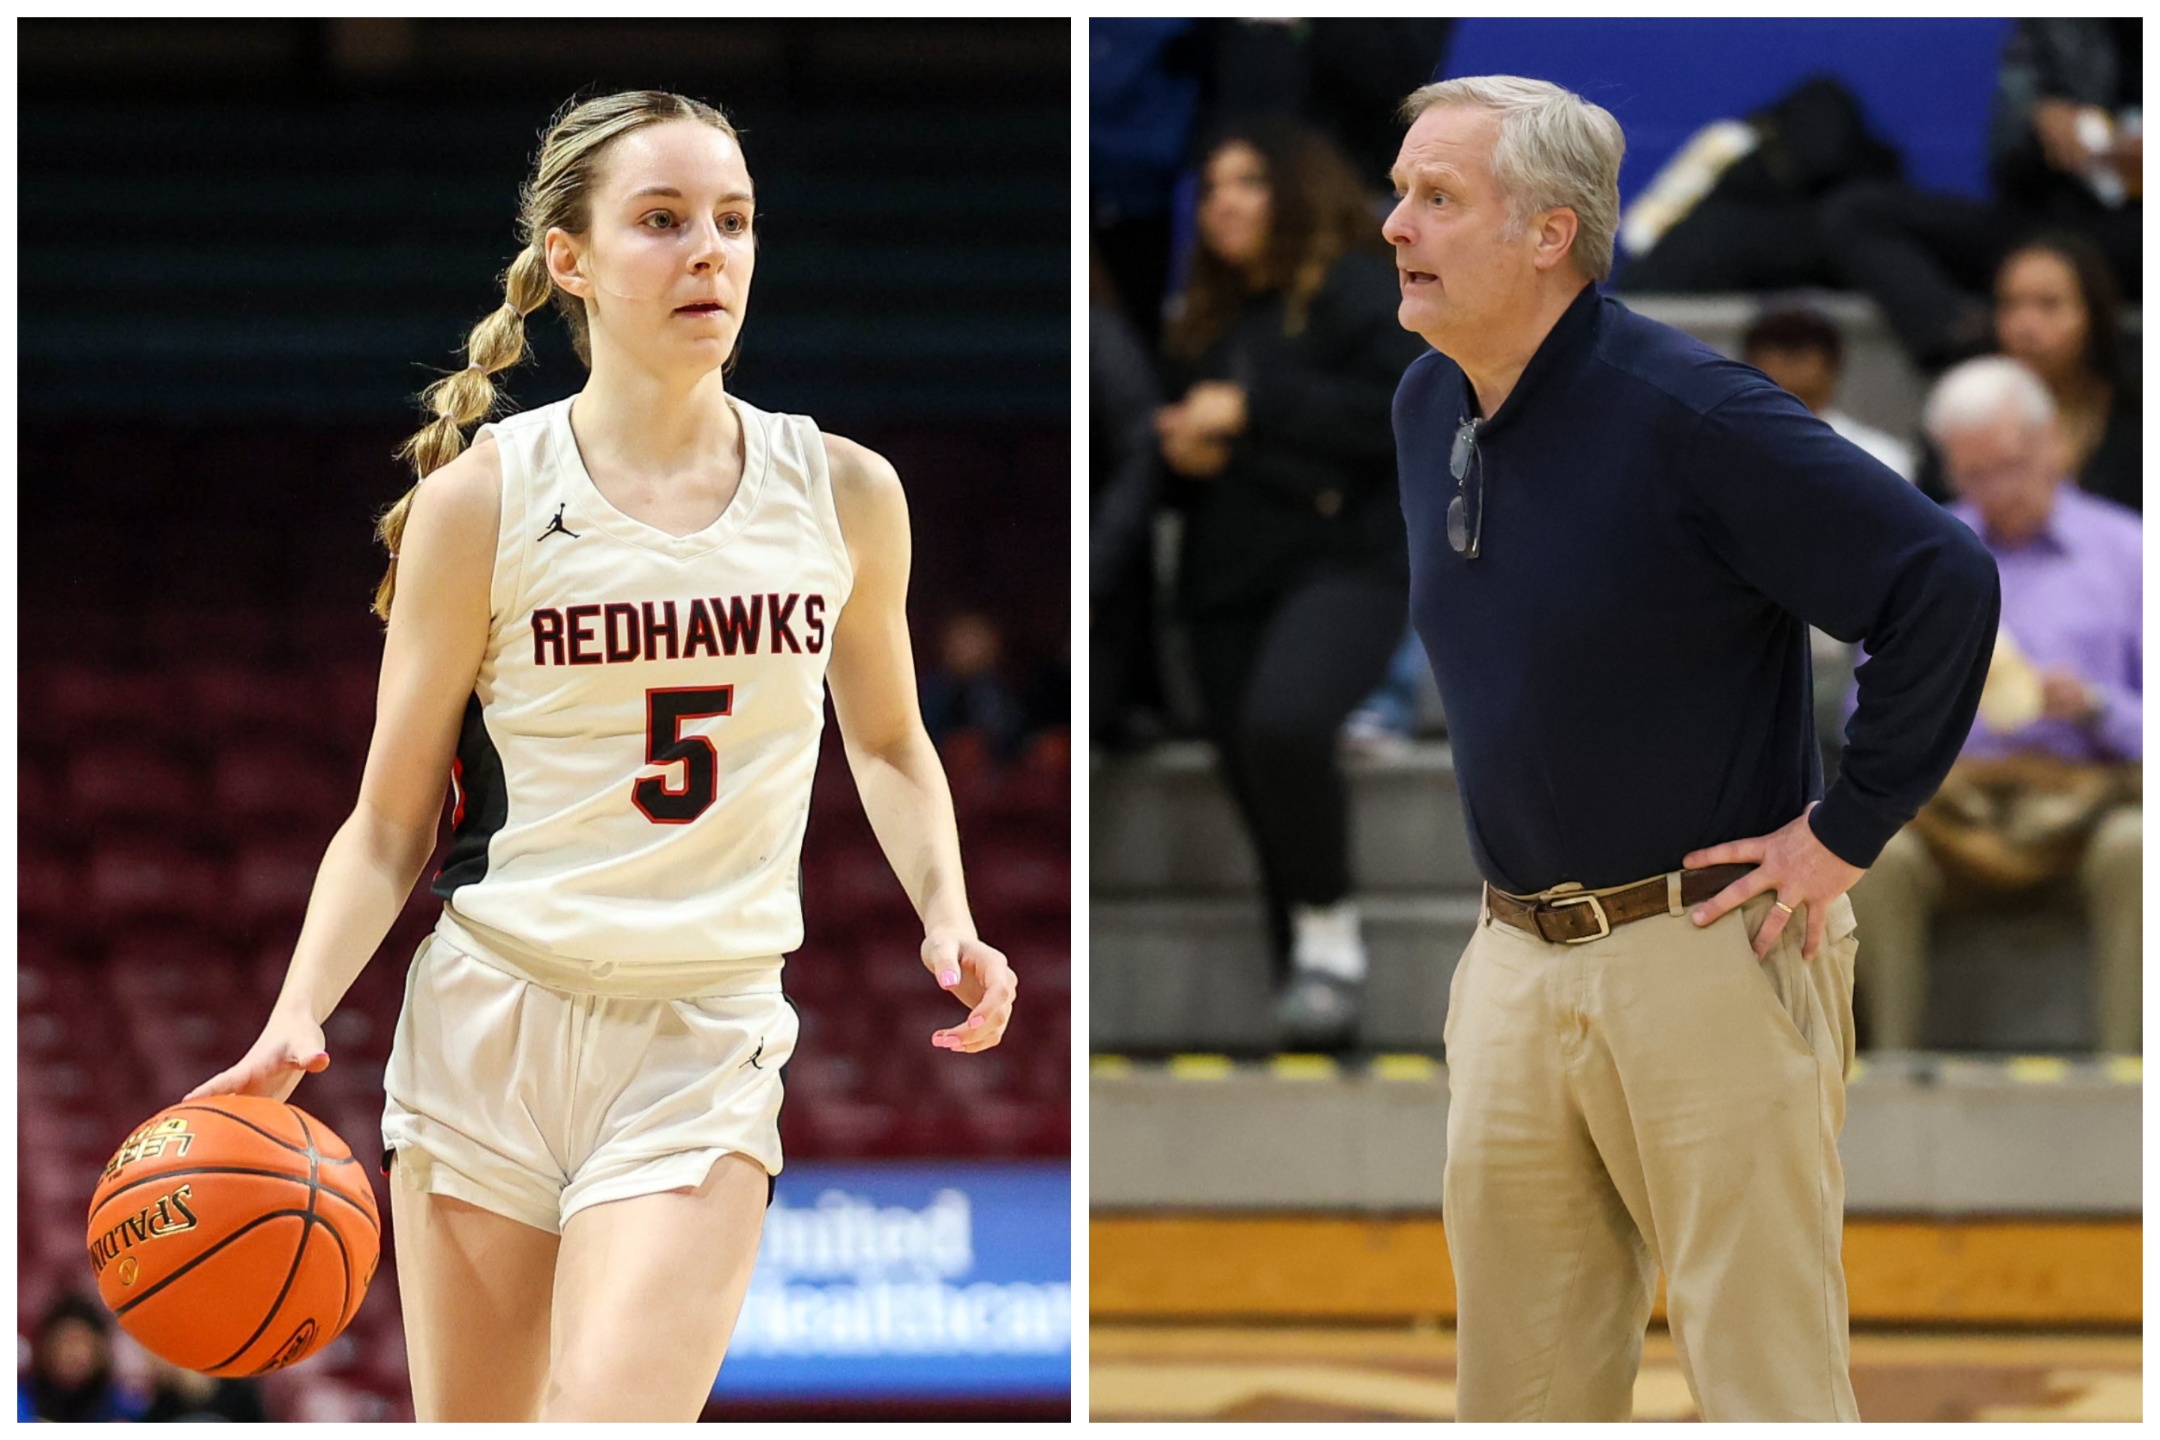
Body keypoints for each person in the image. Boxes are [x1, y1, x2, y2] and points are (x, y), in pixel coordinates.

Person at [187, 91, 1018, 1422]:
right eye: (663, 221)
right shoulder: (480, 503)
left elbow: (889, 740)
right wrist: (298, 1011)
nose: (711, 253)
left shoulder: (846, 493)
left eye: (735, 222)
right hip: (487, 1027)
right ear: (568, 260)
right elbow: (390, 819)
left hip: (700, 1034)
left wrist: (949, 913)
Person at [1387, 76, 1999, 1421]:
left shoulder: (1695, 415)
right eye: (1399, 191)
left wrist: (1847, 829)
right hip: (1511, 960)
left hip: (1709, 948)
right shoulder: (1427, 406)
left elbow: (1940, 581)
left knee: (1766, 1385)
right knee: (1519, 1395)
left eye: (1437, 197)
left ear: (1550, 233)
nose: (1395, 224)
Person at [1157, 119, 1428, 1047]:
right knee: (1255, 779)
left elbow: (1400, 414)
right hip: (1227, 575)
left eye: (1246, 182)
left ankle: (1330, 943)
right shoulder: (1209, 314)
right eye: (1211, 187)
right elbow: (1181, 436)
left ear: (1298, 193)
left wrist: (1250, 410)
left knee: (1287, 720)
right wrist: (1184, 448)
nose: (1220, 202)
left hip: (1346, 561)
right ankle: (1312, 1003)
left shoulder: (1361, 293)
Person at [1848, 357, 2140, 1054]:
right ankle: (1891, 1074)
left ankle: (2132, 1079)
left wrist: (2097, 706)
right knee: (1871, 858)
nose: (1996, 490)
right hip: (1950, 808)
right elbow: (1861, 715)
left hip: (2083, 803)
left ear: (2053, 445)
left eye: (2009, 465)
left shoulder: (2130, 552)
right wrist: (1929, 702)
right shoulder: (1923, 554)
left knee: (2140, 847)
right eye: (1973, 474)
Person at [1819, 18, 2140, 371]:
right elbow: (2007, 170)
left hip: (2132, 233)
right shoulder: (2054, 25)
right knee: (1859, 212)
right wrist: (2036, 130)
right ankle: (1973, 354)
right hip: (2044, 221)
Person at [1741, 307, 1916, 481]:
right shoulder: (1729, 454)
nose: (1787, 370)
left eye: (1797, 355)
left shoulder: (1881, 456)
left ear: (1833, 368)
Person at [18, 1293, 145, 1423]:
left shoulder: (126, 1408)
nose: (74, 1354)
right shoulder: (20, 1403)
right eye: (66, 1341)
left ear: (100, 1350)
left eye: (82, 1342)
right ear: (46, 1347)